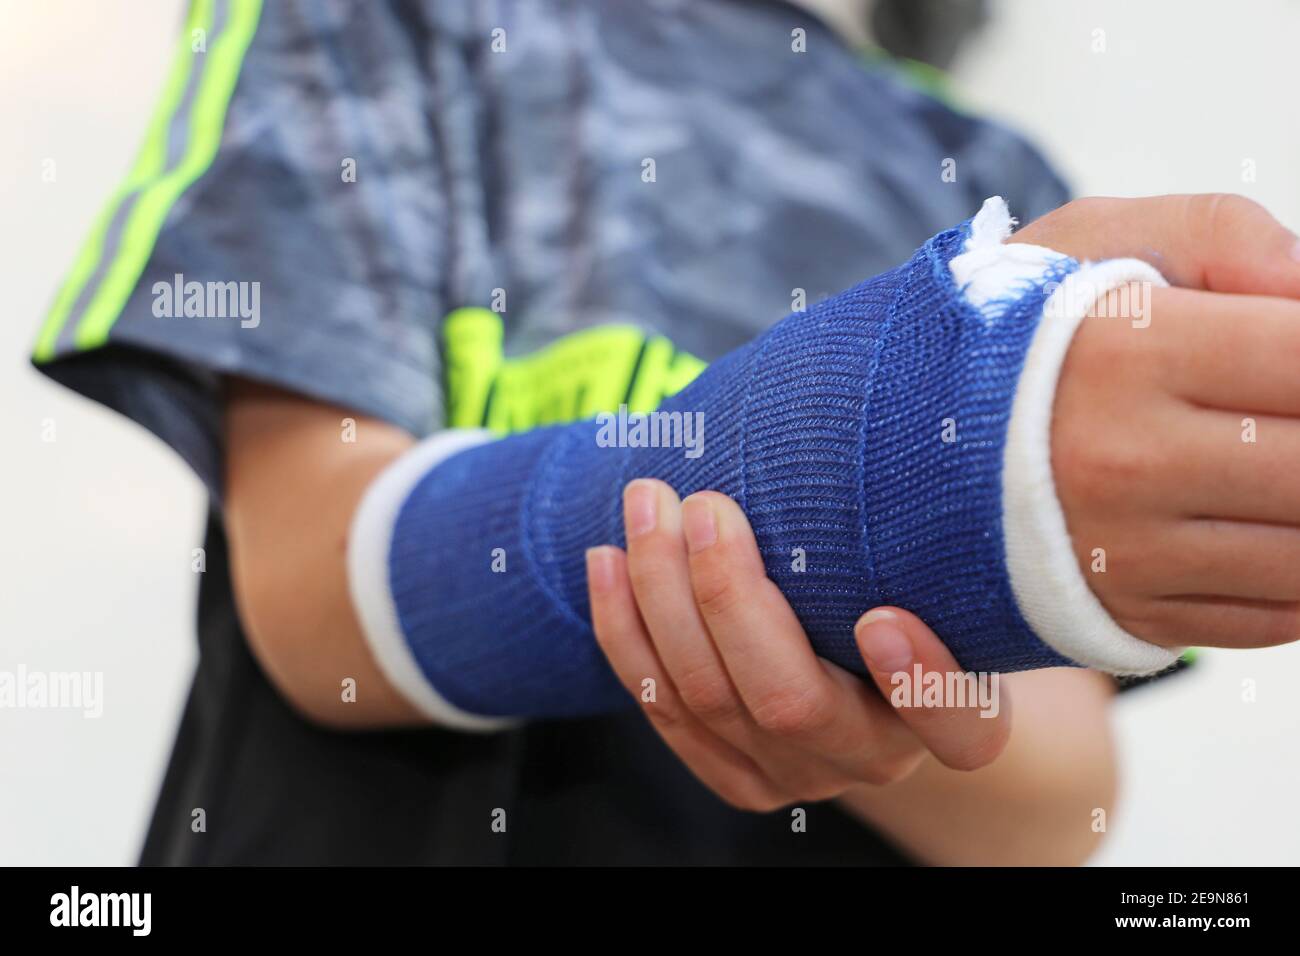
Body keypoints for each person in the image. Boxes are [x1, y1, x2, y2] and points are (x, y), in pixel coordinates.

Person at [32, 0, 1300, 865]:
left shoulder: (985, 164)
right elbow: (313, 594)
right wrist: (808, 496)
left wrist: (875, 706)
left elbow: (1057, 805)